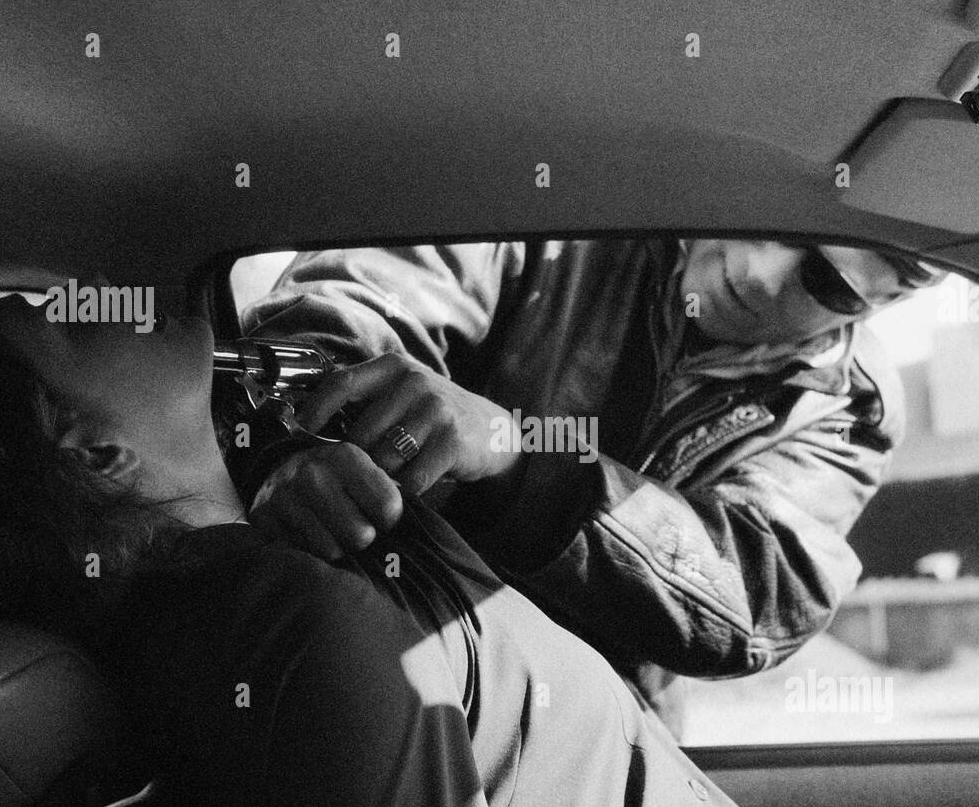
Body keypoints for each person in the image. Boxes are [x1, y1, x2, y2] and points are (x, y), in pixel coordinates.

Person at [0, 295, 814, 807]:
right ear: (93, 454)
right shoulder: (286, 627)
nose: (96, 293)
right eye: (62, 321)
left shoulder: (242, 592)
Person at [241, 238, 943, 727]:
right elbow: (359, 305)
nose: (761, 273)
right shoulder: (556, 214)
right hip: (374, 668)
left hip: (595, 739)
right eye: (769, 218)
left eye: (827, 282)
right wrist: (306, 441)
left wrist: (525, 468)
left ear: (886, 301)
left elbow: (749, 599)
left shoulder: (848, 404)